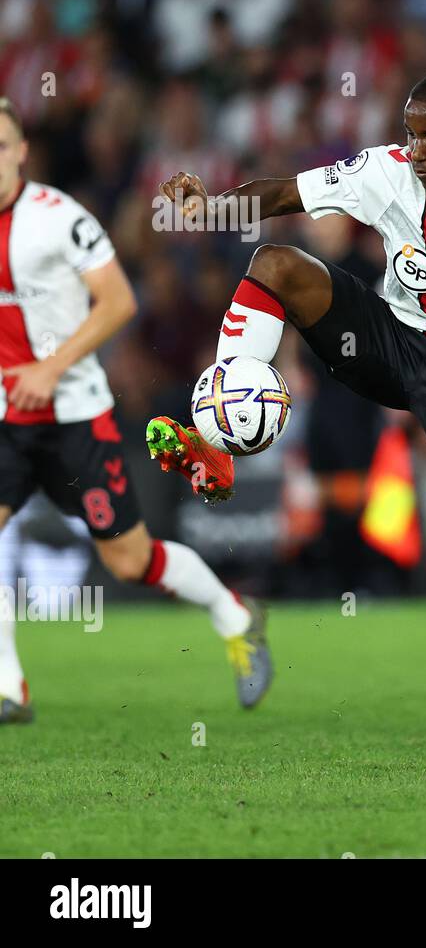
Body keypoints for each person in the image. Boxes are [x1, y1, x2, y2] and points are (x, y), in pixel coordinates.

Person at [149, 70, 426, 767]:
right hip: (389, 341)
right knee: (275, 262)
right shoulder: (386, 173)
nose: (416, 149)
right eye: (411, 133)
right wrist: (209, 204)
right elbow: (281, 193)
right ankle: (216, 442)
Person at [0, 98, 269, 723]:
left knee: (130, 558)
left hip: (75, 417)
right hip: (9, 420)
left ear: (20, 153)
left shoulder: (58, 219)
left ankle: (236, 615)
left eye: (1, 145)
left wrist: (50, 367)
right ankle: (11, 688)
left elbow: (119, 302)